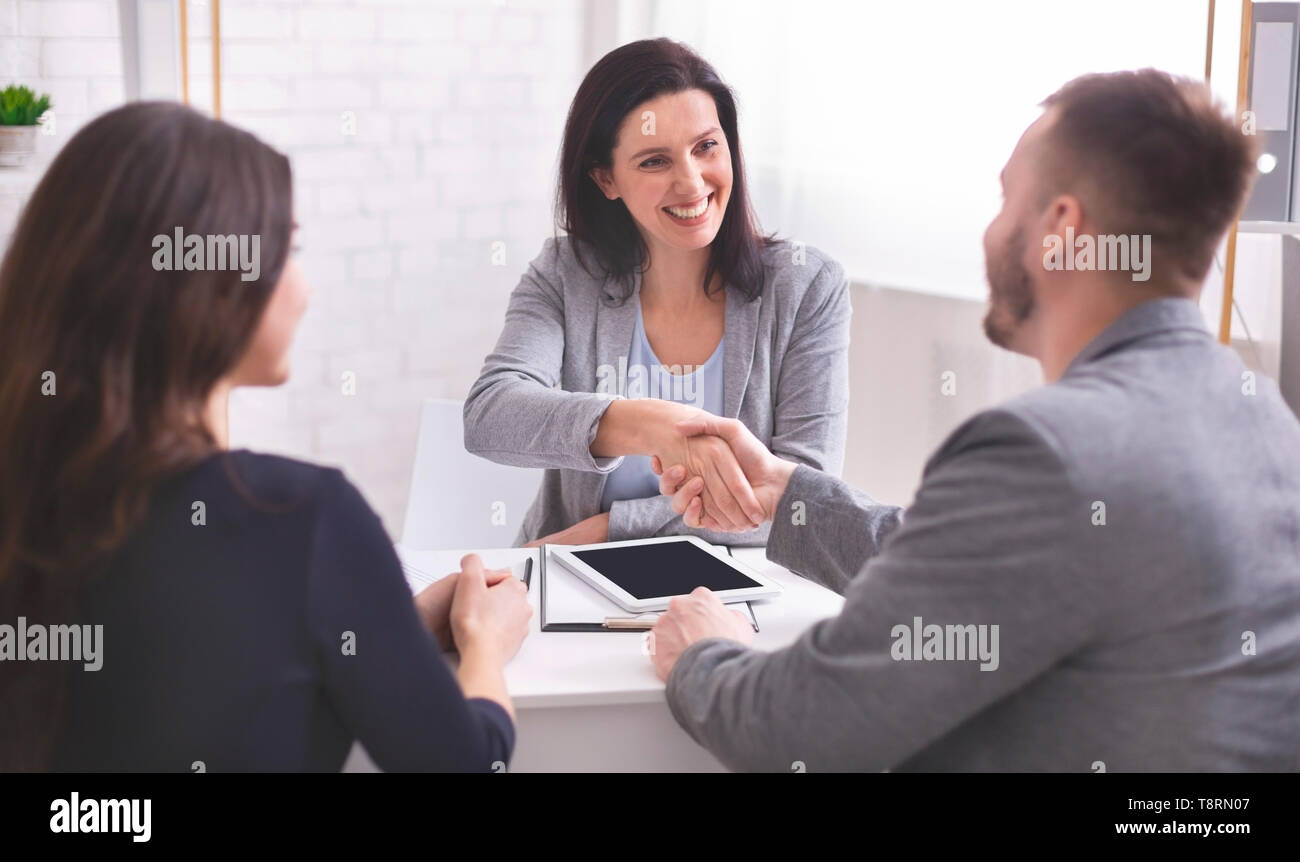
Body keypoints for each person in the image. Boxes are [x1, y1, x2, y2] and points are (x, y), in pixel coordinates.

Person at [651, 70, 1300, 771]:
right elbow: (988, 572)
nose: (991, 229)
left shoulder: (1044, 450)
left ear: (1061, 230)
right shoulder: (1263, 417)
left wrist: (702, 654)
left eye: (1004, 198)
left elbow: (801, 729)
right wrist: (791, 496)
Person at [0, 102, 531, 772]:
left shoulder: (30, 499)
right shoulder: (300, 518)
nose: (303, 287)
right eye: (290, 249)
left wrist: (386, 620)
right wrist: (485, 643)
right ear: (208, 285)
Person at [464, 39, 852, 547]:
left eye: (706, 147)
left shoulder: (807, 286)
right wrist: (655, 425)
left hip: (726, 593)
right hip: (567, 585)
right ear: (606, 178)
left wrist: (610, 530)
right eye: (654, 162)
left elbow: (802, 498)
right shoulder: (565, 272)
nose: (691, 183)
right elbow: (490, 415)